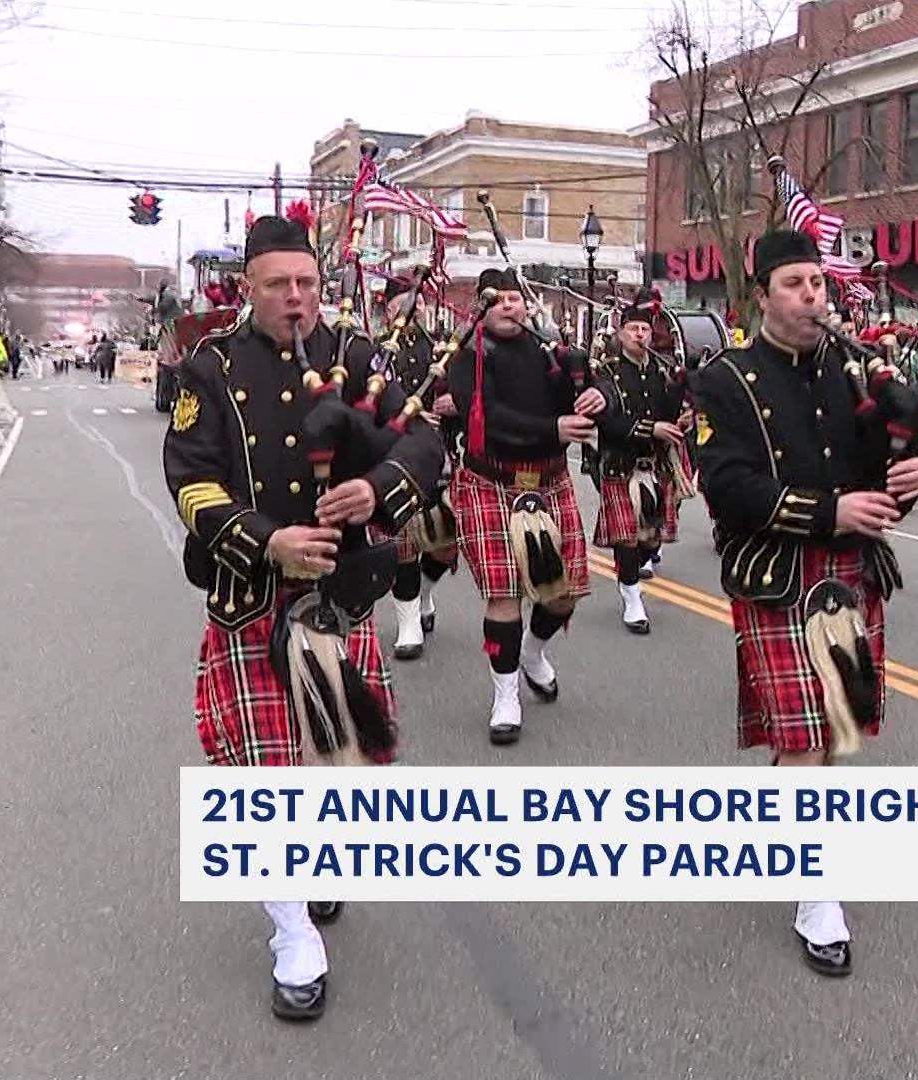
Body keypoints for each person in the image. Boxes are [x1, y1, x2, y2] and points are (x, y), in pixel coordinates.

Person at [162, 211, 445, 1021]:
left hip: (338, 598)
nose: (297, 299)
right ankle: (290, 930)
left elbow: (425, 440)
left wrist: (383, 484)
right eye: (279, 285)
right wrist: (265, 539)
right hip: (254, 597)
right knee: (264, 773)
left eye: (308, 284)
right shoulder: (211, 370)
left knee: (338, 762)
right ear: (246, 288)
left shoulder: (354, 357)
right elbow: (191, 481)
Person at [693, 228, 918, 977]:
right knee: (807, 737)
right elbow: (729, 487)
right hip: (779, 569)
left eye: (818, 282)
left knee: (829, 733)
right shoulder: (726, 379)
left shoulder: (857, 368)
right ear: (762, 297)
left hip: (852, 574)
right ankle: (817, 893)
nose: (813, 295)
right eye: (795, 284)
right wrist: (829, 511)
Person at [444, 269, 601, 746]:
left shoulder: (551, 353)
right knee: (505, 594)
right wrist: (553, 429)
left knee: (564, 593)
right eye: (499, 300)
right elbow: (488, 418)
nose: (510, 306)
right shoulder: (467, 359)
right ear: (482, 309)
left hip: (549, 480)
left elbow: (594, 394)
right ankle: (505, 694)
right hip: (490, 480)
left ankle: (532, 652)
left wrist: (597, 392)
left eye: (516, 298)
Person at [366, 275, 460, 662]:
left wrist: (455, 403)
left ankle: (424, 589)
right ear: (390, 309)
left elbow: (467, 396)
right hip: (393, 457)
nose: (416, 308)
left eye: (418, 302)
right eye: (407, 302)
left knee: (446, 542)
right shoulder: (373, 352)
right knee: (403, 543)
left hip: (437, 456)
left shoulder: (442, 350)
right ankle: (408, 623)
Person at [590, 303, 692, 633]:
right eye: (633, 328)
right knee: (629, 539)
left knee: (651, 539)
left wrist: (681, 415)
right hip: (621, 466)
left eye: (645, 329)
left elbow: (670, 411)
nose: (639, 334)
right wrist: (652, 429)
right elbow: (608, 420)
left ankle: (633, 578)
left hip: (655, 466)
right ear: (621, 333)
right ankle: (631, 595)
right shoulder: (607, 372)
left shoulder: (661, 371)